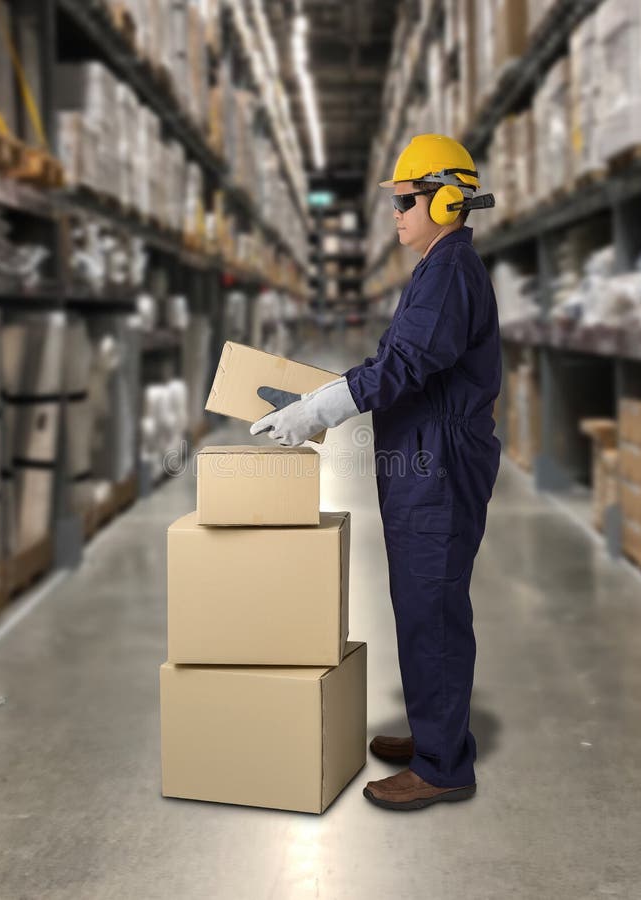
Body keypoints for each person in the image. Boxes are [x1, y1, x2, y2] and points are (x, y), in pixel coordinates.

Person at [250, 133, 501, 812]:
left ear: (447, 201)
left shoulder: (448, 271)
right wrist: (328, 403)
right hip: (425, 458)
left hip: (438, 464)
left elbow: (407, 365)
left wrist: (325, 405)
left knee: (432, 607)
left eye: (406, 200)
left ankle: (444, 765)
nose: (396, 213)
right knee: (419, 602)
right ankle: (432, 734)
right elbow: (400, 365)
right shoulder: (435, 268)